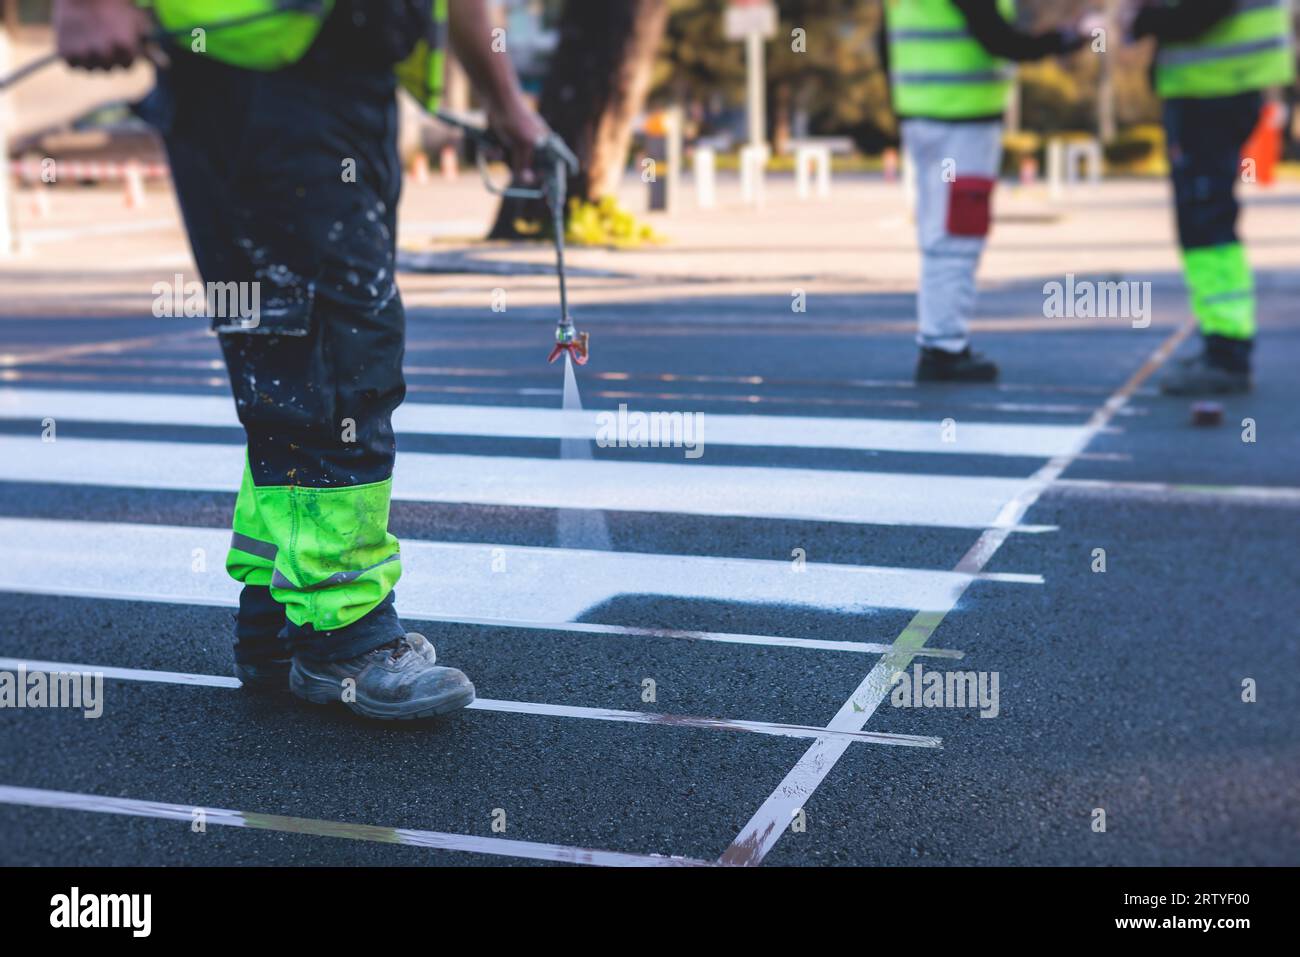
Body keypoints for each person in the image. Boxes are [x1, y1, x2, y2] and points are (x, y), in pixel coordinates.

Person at [54, 0, 548, 719]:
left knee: (297, 352)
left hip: (353, 77)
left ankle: (279, 615)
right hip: (253, 65)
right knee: (336, 354)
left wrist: (506, 101)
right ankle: (343, 633)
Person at [879, 0, 1101, 382]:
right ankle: (944, 348)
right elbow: (997, 38)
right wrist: (1064, 40)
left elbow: (883, 42)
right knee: (958, 234)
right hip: (962, 120)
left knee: (937, 232)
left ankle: (939, 340)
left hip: (921, 114)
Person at [1126, 0, 1296, 395]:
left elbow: (1207, 10)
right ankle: (1222, 344)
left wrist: (1144, 19)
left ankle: (1226, 352)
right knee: (1206, 217)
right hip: (1221, 81)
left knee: (1206, 220)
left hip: (1215, 85)